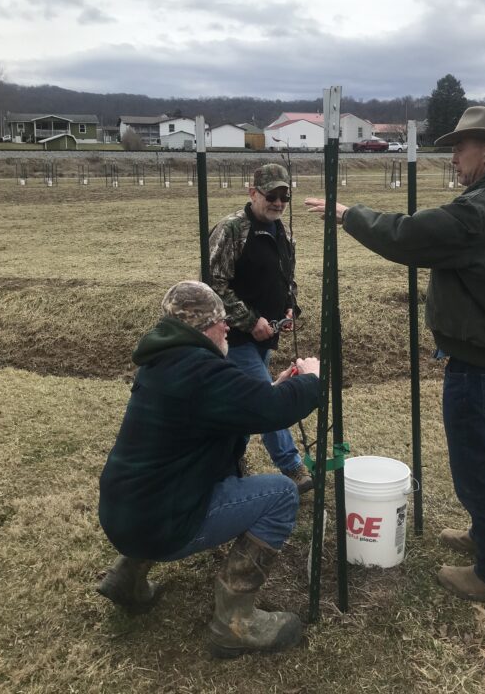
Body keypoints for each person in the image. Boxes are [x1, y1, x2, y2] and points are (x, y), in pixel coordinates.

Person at [306, 107, 485, 605]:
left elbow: (410, 235)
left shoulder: (482, 210)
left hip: (483, 361)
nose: (454, 157)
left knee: (477, 466)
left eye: (460, 148)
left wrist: (349, 214)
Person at [97, 280, 320, 657]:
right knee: (281, 494)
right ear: (203, 328)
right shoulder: (200, 370)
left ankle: (127, 576)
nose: (228, 327)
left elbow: (231, 411)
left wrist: (273, 387)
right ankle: (236, 625)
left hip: (123, 514)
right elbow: (271, 410)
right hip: (162, 522)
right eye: (221, 320)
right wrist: (312, 379)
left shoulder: (165, 363)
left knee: (166, 486)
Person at [209, 163, 313, 494]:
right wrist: (250, 320)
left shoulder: (285, 235)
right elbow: (212, 285)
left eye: (285, 196)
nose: (279, 203)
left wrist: (290, 307)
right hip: (234, 338)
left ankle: (230, 459)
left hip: (267, 339)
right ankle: (293, 467)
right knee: (266, 400)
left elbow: (288, 281)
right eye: (272, 195)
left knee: (244, 401)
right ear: (253, 193)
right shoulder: (231, 230)